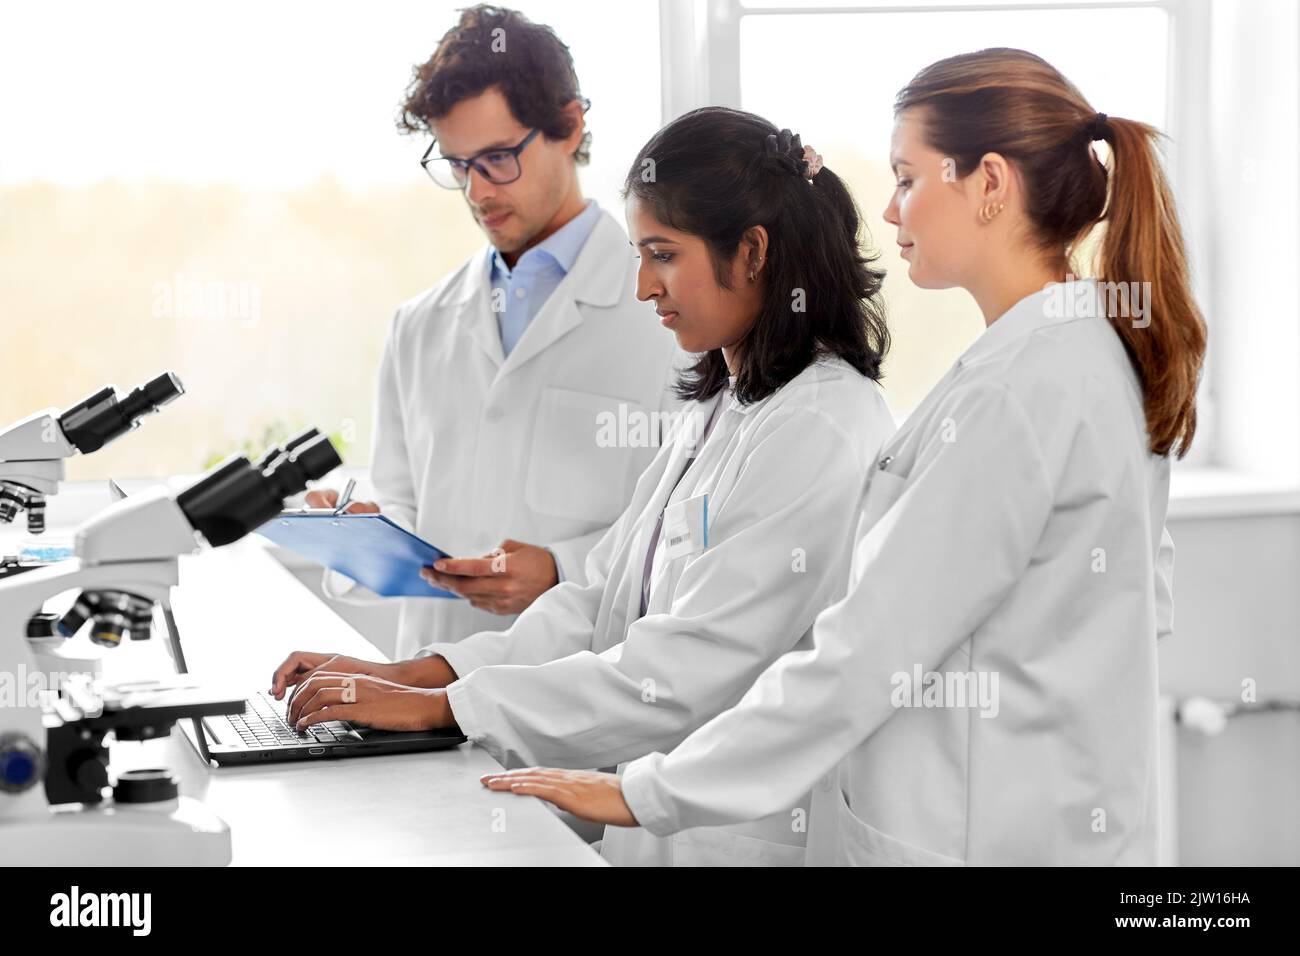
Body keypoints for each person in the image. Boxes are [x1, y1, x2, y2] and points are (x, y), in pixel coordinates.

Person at [481, 48, 1208, 866]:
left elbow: (867, 652)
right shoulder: (1081, 355)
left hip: (980, 839)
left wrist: (645, 793)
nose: (892, 212)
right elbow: (1139, 611)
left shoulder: (1019, 390)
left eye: (908, 177)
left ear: (991, 184)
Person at [272, 107, 897, 866]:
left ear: (755, 251)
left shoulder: (823, 426)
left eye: (663, 255)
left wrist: (445, 710)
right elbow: (596, 602)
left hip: (741, 837)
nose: (643, 287)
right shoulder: (723, 406)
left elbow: (683, 668)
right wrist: (413, 676)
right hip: (657, 827)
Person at [309, 5, 682, 658]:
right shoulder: (418, 326)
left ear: (569, 126)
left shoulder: (672, 317)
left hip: (584, 710)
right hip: (431, 700)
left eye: (498, 157)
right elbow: (403, 509)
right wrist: (364, 535)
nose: (478, 191)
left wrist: (561, 567)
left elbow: (692, 531)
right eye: (457, 165)